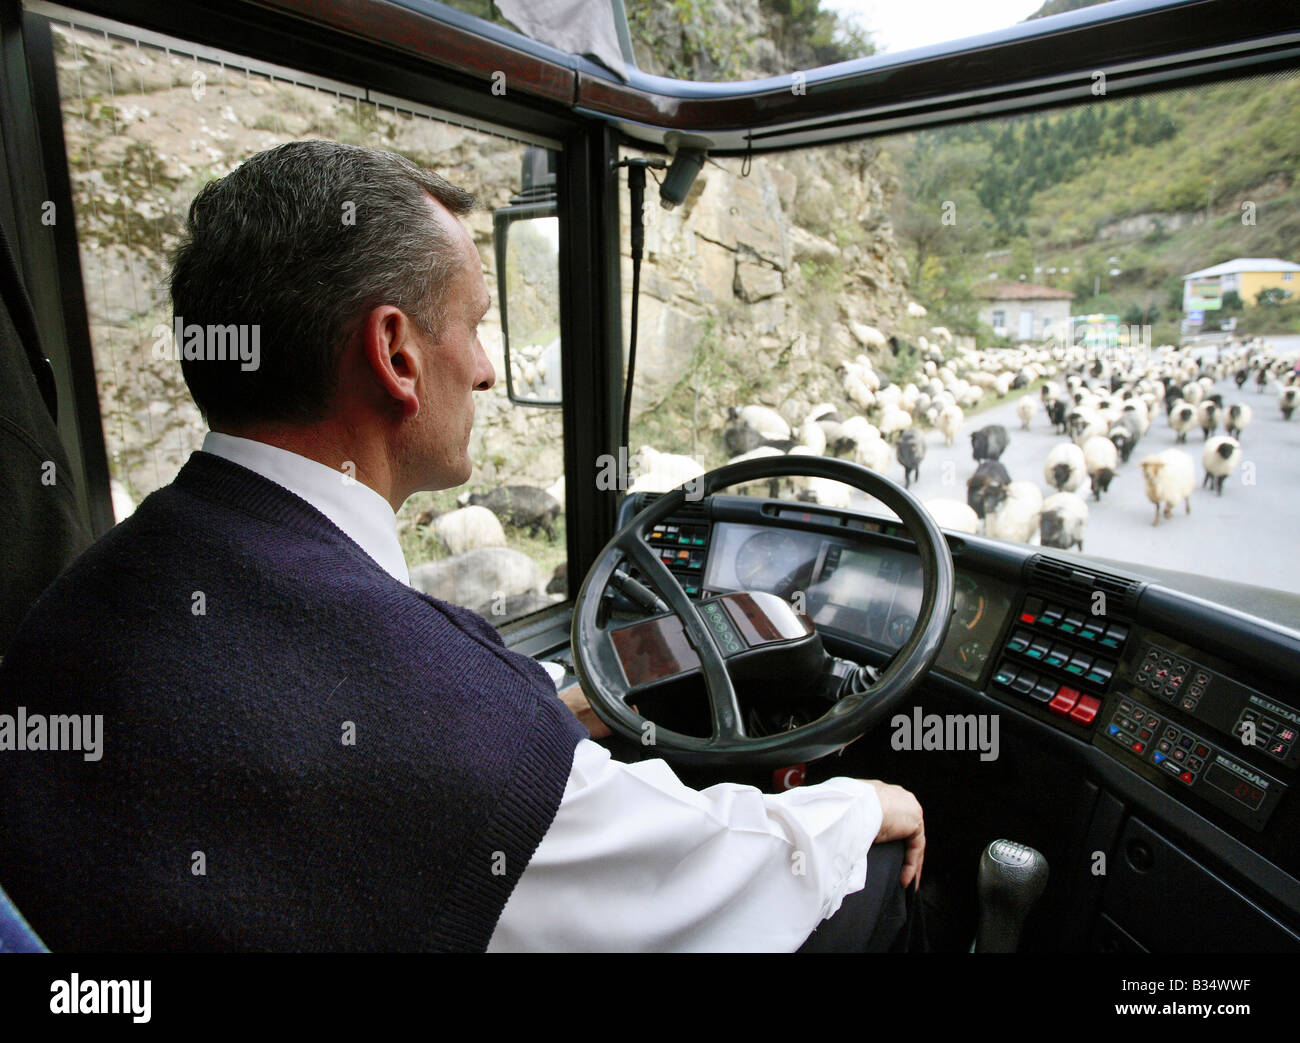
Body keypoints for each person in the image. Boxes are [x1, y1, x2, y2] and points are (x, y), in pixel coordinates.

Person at [0, 140, 924, 952]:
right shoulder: (457, 734)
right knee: (876, 885)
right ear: (397, 356)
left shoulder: (86, 591)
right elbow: (710, 876)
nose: (486, 367)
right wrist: (864, 805)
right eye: (476, 323)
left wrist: (546, 718)